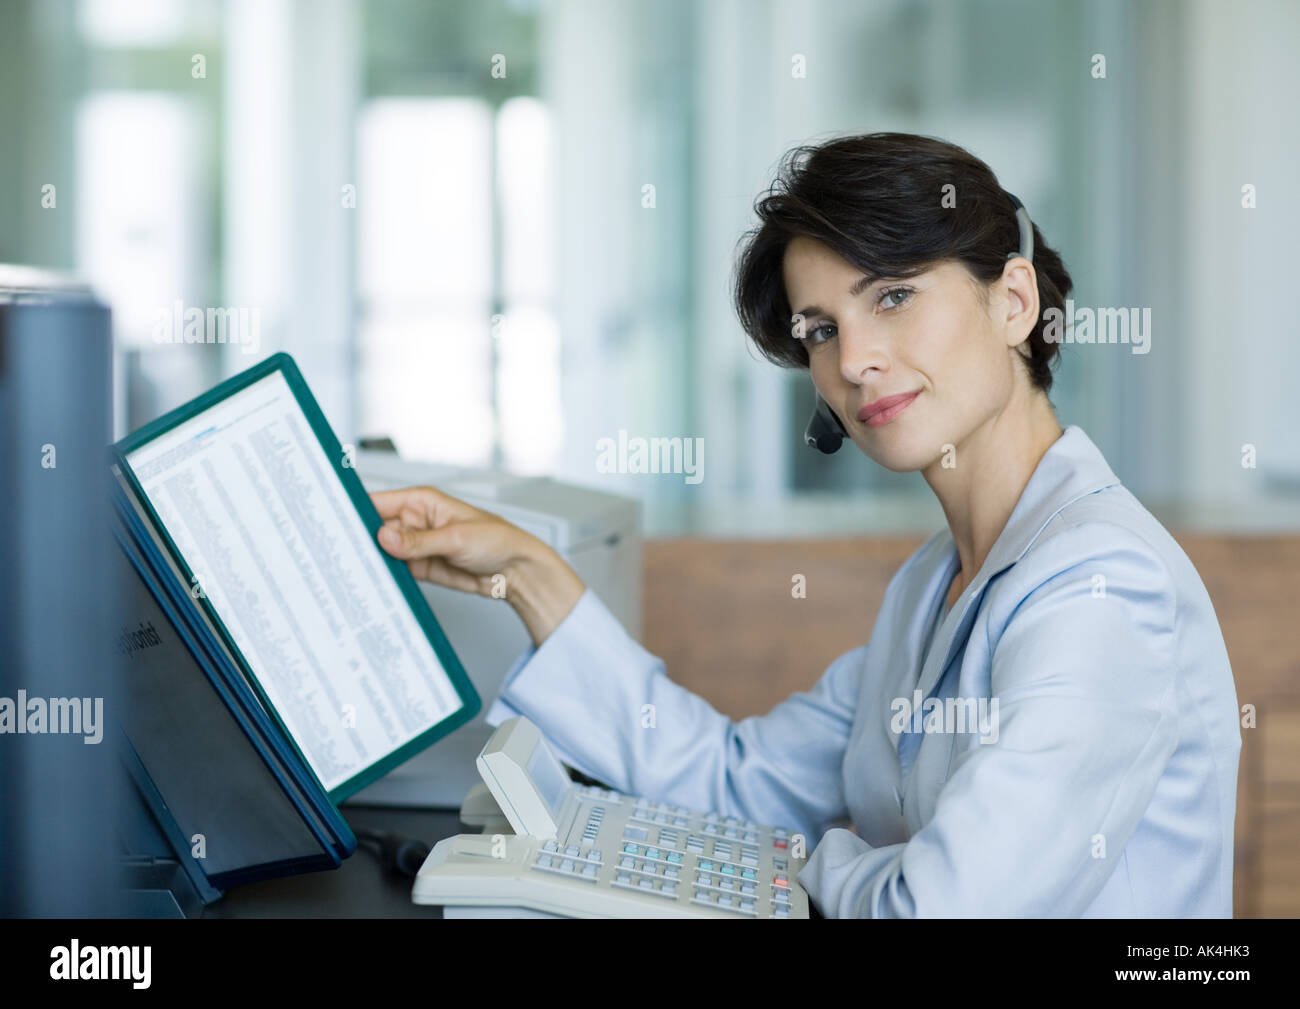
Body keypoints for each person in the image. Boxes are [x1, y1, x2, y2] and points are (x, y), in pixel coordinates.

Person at [371, 133, 1241, 917]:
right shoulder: (935, 583)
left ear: (1014, 303)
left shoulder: (1101, 585)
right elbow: (733, 783)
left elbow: (942, 908)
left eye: (893, 297)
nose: (853, 360)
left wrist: (812, 865)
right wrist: (527, 572)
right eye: (821, 329)